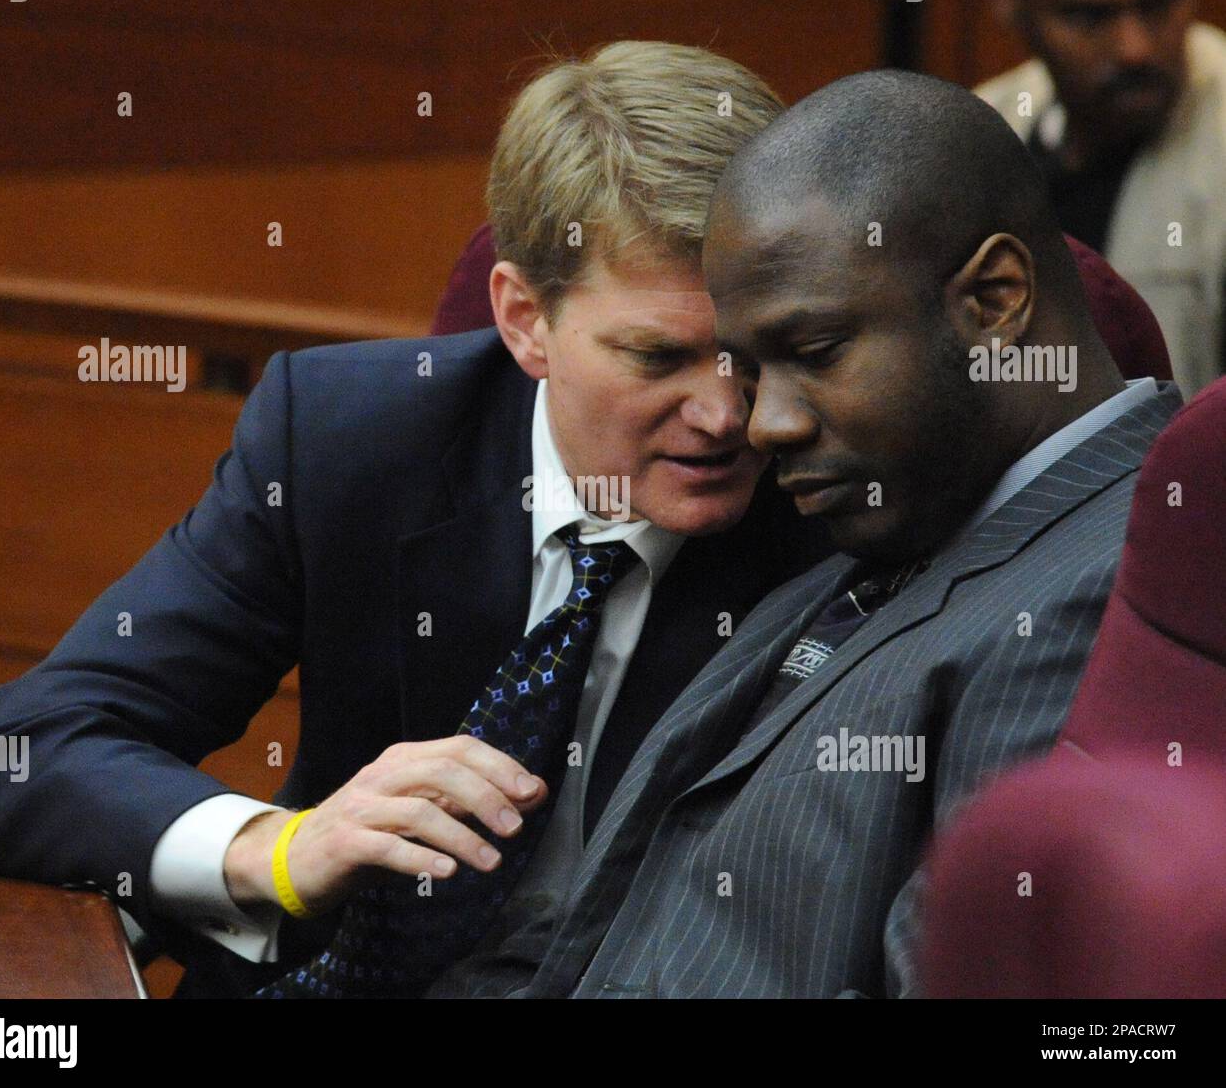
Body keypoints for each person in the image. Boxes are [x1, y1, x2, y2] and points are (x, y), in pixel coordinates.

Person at [0, 42, 831, 999]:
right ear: (524, 319)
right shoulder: (345, 441)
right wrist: (279, 849)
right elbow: (38, 748)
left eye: (750, 350)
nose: (727, 414)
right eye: (658, 357)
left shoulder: (838, 506)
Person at [468, 69, 1185, 999]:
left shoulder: (1113, 586)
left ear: (996, 299)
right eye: (752, 368)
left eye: (814, 353)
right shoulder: (898, 520)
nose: (761, 424)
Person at [978, 0, 1226, 397]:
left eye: (1156, 7)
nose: (1135, 49)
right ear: (1010, 7)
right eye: (1089, 17)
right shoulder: (984, 129)